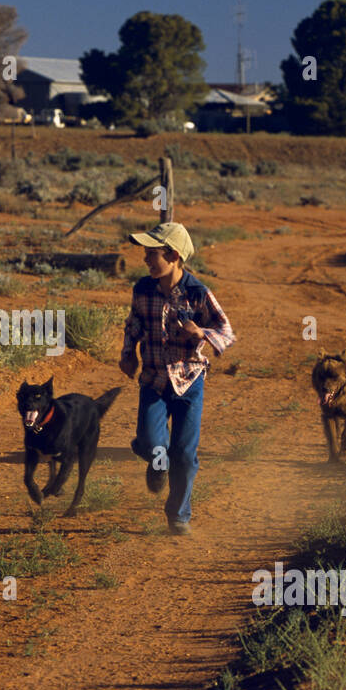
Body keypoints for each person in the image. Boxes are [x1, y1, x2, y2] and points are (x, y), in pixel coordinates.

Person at [119, 222, 235, 535]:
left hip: (189, 382)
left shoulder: (198, 292)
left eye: (152, 254)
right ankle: (156, 457)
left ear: (173, 255)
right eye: (145, 253)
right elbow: (134, 324)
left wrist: (202, 333)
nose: (145, 259)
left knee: (183, 452)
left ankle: (179, 516)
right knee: (152, 445)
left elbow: (226, 332)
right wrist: (128, 353)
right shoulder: (143, 289)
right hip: (153, 380)